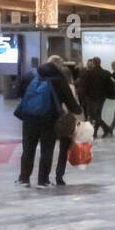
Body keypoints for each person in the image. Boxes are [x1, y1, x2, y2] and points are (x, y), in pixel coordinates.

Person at [14, 60, 79, 187]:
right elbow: (72, 104)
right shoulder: (59, 82)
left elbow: (20, 94)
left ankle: (23, 178)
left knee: (28, 149)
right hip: (48, 120)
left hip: (29, 119)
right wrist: (78, 111)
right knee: (46, 150)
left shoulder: (31, 78)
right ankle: (43, 180)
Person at [45, 54, 84, 185]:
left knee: (48, 149)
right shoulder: (68, 86)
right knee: (63, 149)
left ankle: (43, 177)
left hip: (48, 118)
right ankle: (59, 176)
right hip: (66, 119)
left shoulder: (42, 80)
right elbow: (74, 105)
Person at [78, 57, 113, 138]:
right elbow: (111, 85)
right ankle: (97, 132)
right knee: (98, 115)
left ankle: (106, 128)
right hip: (102, 97)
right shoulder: (106, 73)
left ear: (93, 63)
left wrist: (83, 97)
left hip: (91, 98)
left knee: (93, 115)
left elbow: (84, 86)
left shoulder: (88, 73)